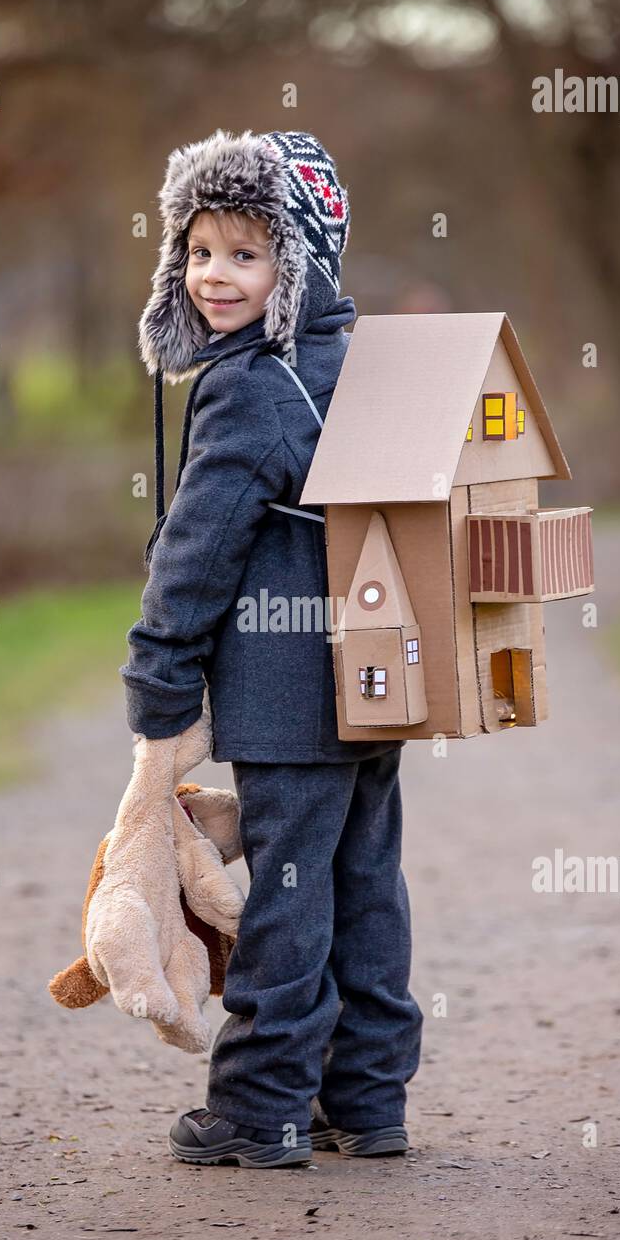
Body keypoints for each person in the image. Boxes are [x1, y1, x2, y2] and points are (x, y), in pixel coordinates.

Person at [121, 128, 424, 1167]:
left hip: (290, 695)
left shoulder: (251, 386)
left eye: (245, 253)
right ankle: (366, 1099)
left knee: (287, 902)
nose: (213, 275)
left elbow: (196, 554)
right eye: (198, 250)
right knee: (363, 888)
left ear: (295, 264)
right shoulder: (352, 360)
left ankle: (260, 1108)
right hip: (378, 680)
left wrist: (157, 672)